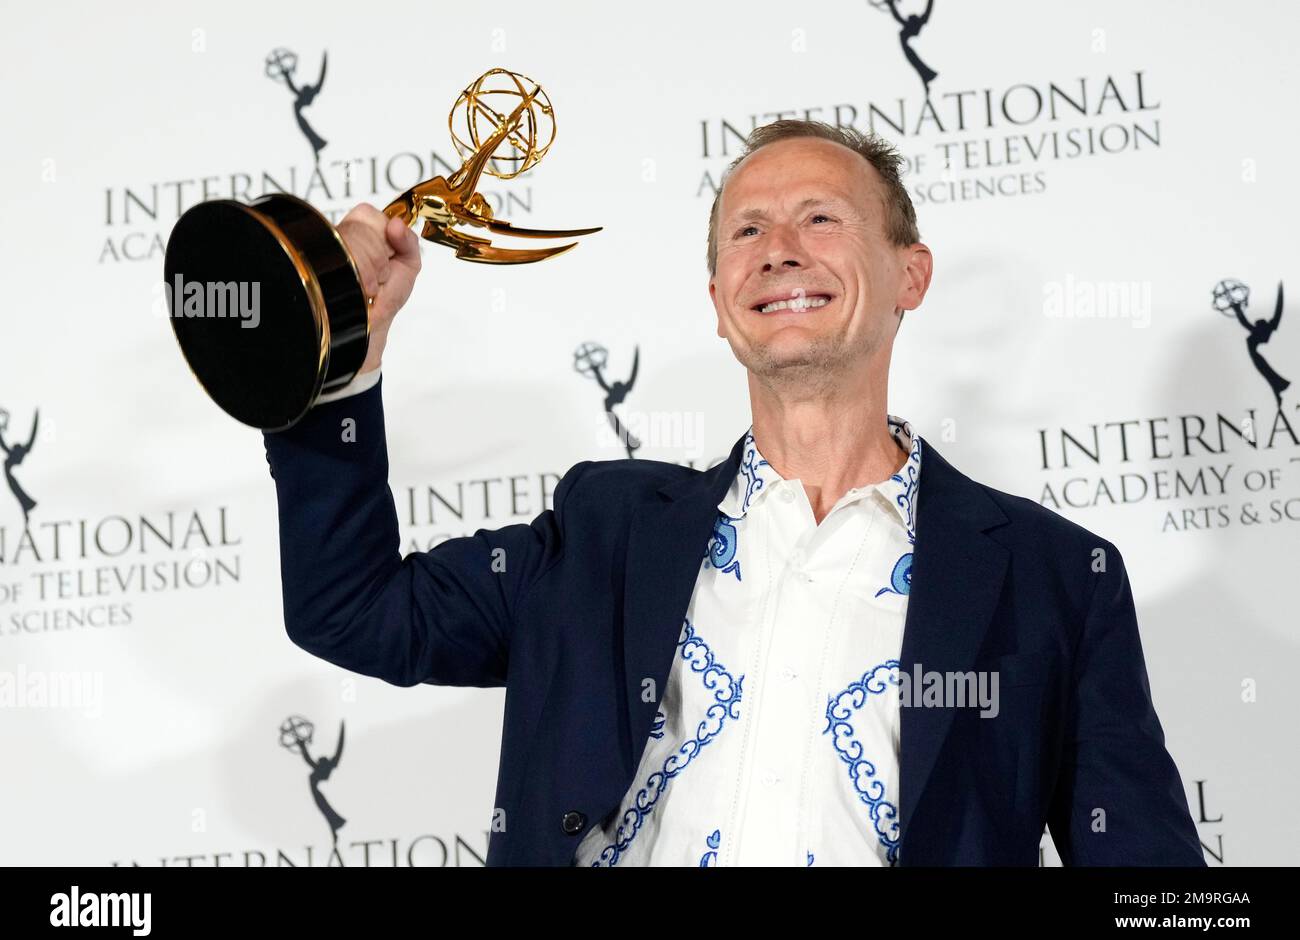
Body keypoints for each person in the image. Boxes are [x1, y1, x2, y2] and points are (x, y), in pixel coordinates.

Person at [261, 118, 1205, 867]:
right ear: (718, 300)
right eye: (747, 230)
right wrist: (337, 358)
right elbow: (351, 608)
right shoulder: (605, 533)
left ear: (910, 275)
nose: (779, 250)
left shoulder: (1054, 579)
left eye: (821, 218)